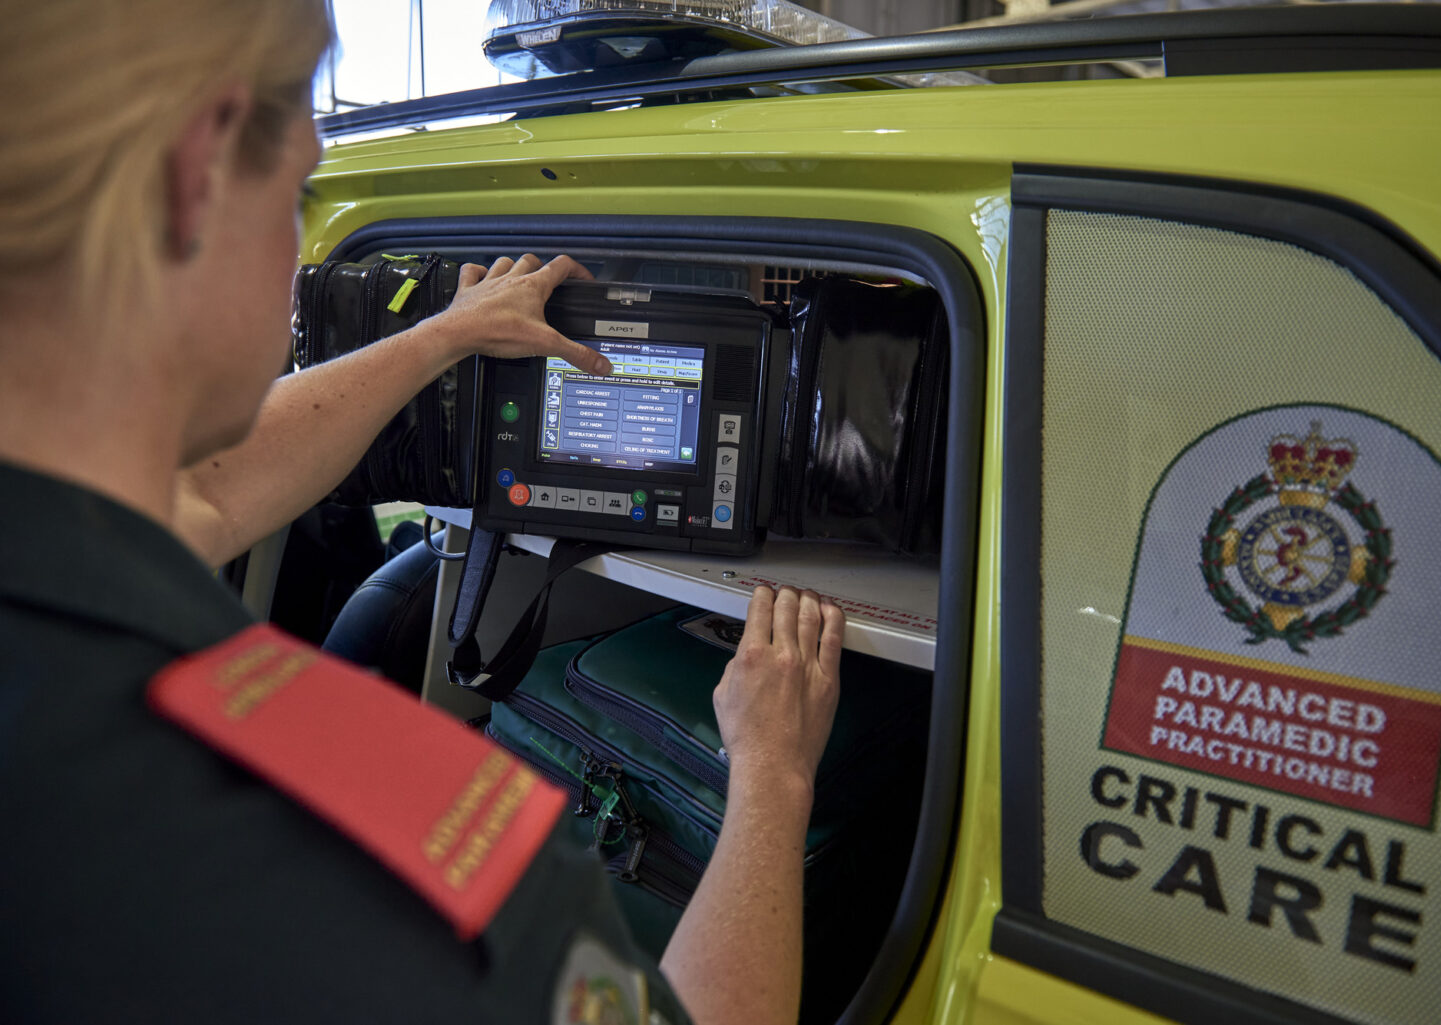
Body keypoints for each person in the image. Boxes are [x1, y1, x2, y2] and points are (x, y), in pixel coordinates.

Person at [0, 3, 842, 1024]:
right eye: (298, 190)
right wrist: (773, 776)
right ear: (201, 175)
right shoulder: (413, 862)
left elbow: (203, 495)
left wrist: (440, 337)